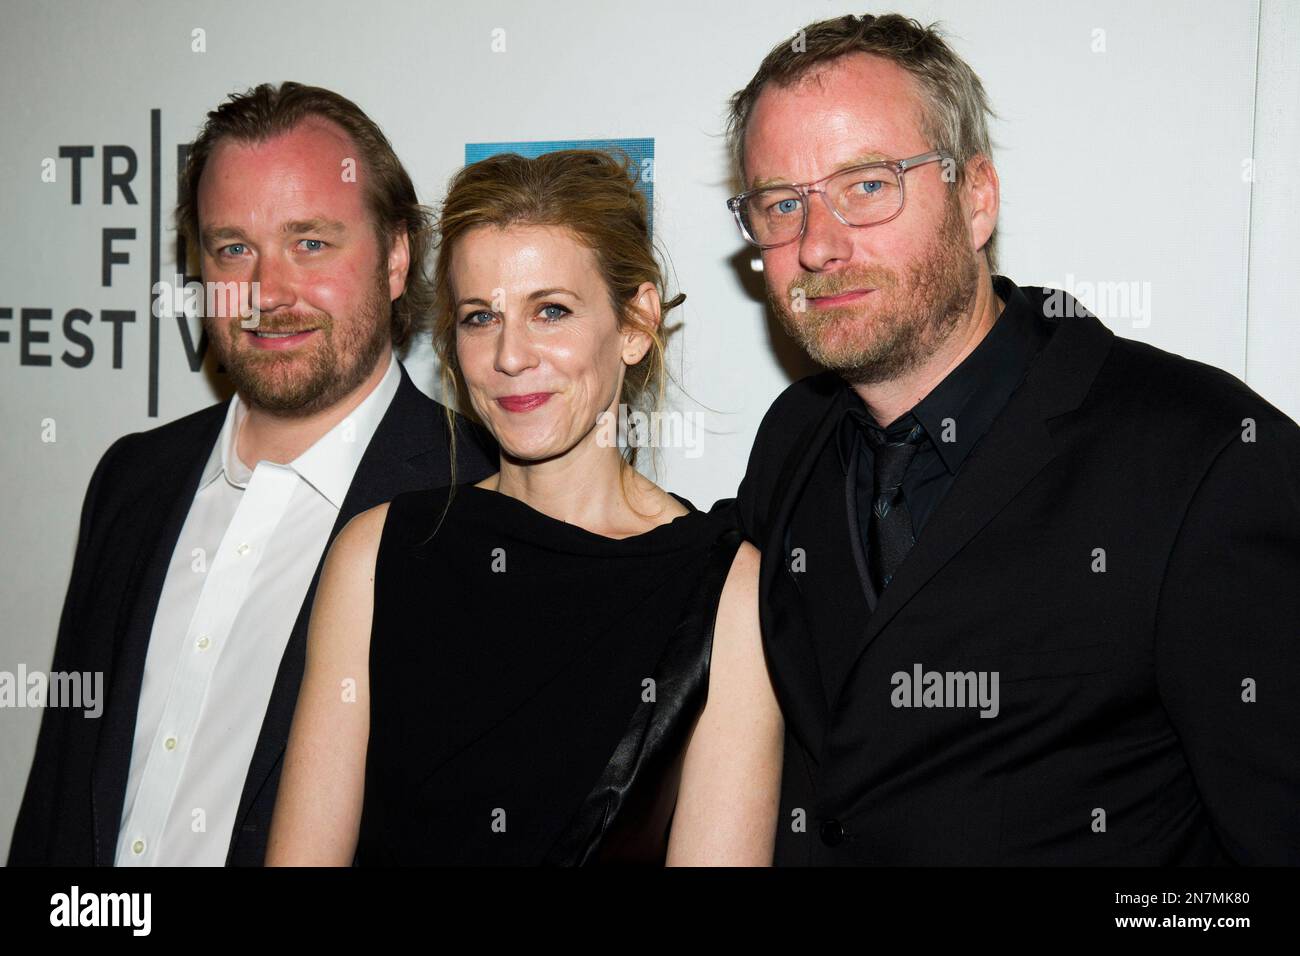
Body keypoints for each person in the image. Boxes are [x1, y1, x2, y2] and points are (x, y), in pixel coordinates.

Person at [727, 13, 1300, 864]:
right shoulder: (793, 438)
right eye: (782, 204)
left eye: (869, 184)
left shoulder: (1210, 459)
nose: (818, 245)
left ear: (977, 196)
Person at [7, 82, 495, 866]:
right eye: (234, 247)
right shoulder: (134, 481)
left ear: (398, 257)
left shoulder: (477, 501)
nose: (267, 294)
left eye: (311, 243)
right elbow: (58, 802)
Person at [266, 148, 782, 866]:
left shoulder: (727, 589)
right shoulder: (378, 554)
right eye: (480, 318)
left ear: (635, 324)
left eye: (551, 311)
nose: (510, 356)